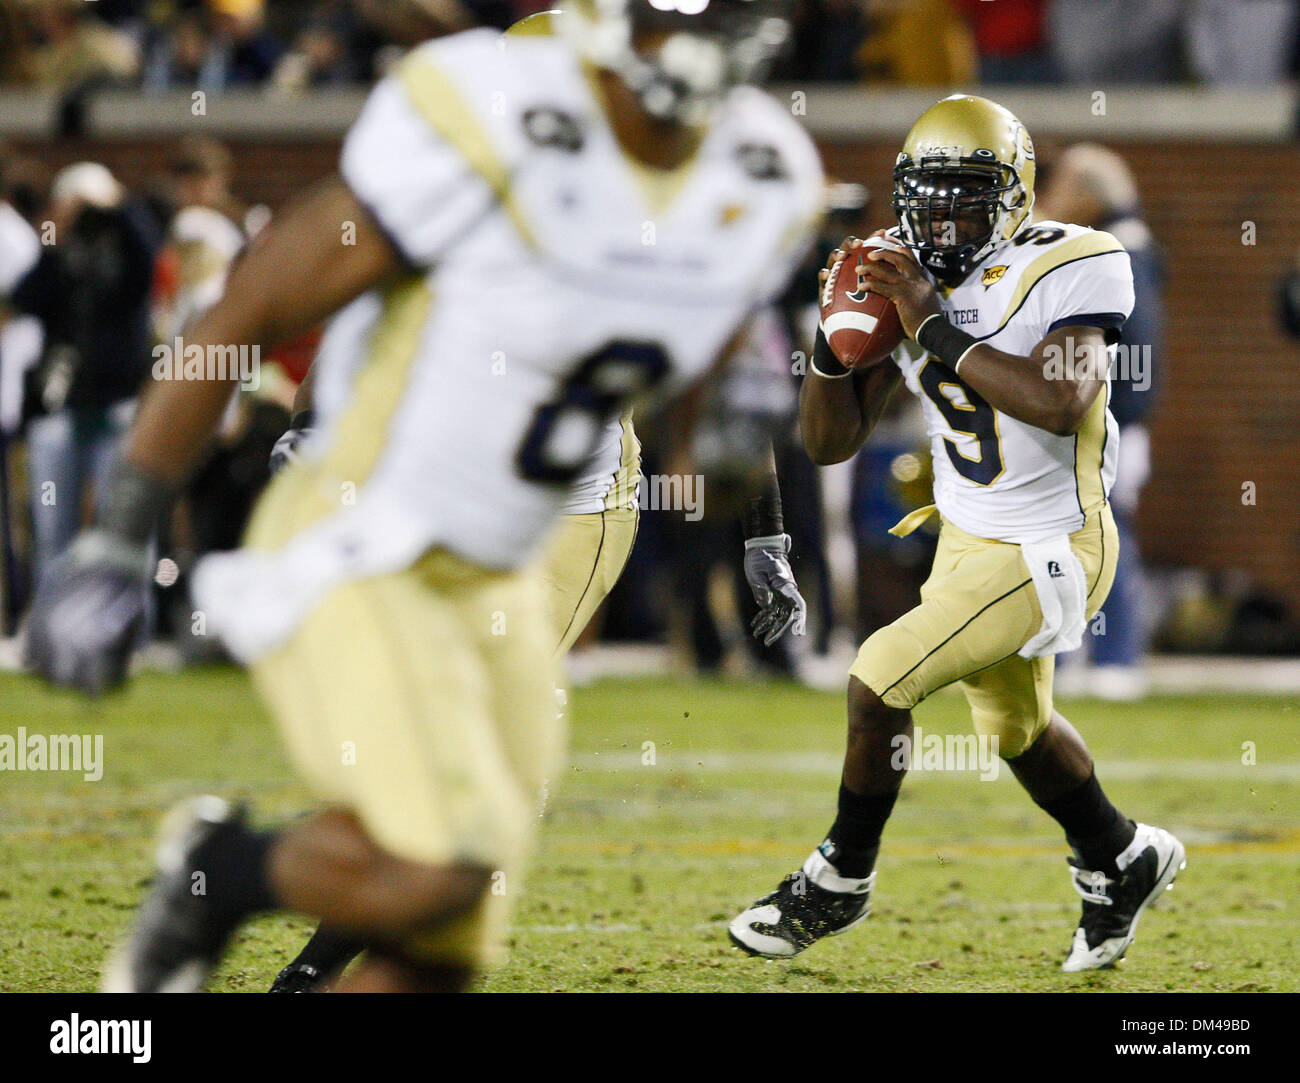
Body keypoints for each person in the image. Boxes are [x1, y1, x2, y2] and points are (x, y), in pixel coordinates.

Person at [27, 0, 823, 994]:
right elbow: (253, 306)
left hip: (501, 563)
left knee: (445, 944)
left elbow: (691, 402)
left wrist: (733, 491)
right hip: (372, 531)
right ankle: (217, 876)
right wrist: (120, 534)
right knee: (444, 855)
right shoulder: (486, 110)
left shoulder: (760, 173)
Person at [729, 94, 1185, 973]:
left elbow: (1063, 397)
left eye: (966, 196)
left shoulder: (1074, 258)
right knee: (1020, 729)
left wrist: (930, 323)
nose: (942, 217)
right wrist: (835, 342)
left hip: (1056, 538)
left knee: (877, 680)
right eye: (926, 197)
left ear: (1014, 196)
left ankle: (839, 877)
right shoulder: (902, 270)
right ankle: (1122, 855)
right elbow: (827, 444)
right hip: (970, 537)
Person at [1035, 143, 1165, 700]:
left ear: (1088, 193)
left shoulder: (1117, 252)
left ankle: (1112, 655)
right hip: (1109, 421)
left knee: (1103, 537)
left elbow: (1124, 354)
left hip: (1106, 423)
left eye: (1063, 186)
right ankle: (1089, 657)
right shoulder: (1130, 247)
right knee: (1083, 538)